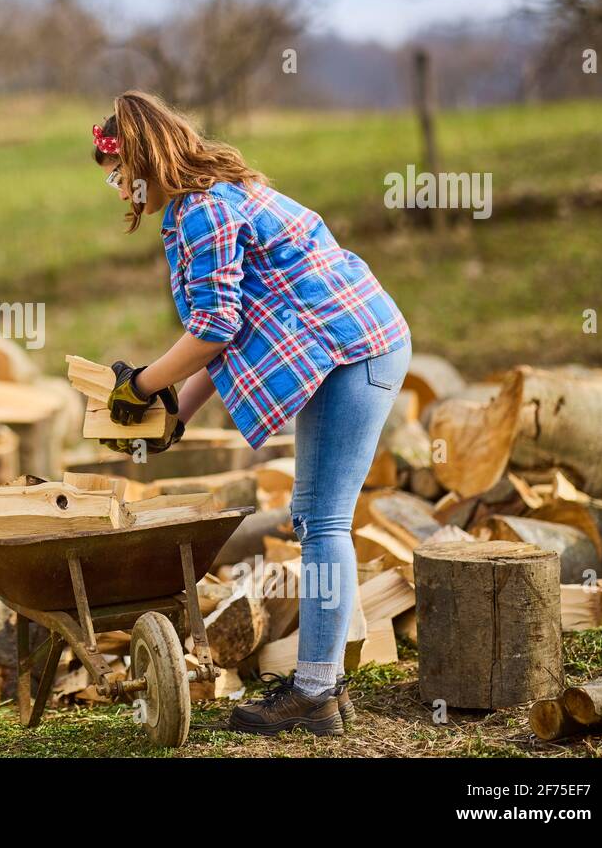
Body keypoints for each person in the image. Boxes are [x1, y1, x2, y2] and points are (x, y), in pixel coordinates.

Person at [93, 91, 411, 736]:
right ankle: (325, 683)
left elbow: (213, 328)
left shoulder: (204, 211)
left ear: (144, 160)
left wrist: (140, 386)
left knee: (323, 522)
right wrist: (173, 412)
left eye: (118, 172)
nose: (118, 187)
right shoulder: (211, 198)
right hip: (342, 348)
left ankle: (316, 692)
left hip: (353, 352)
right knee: (315, 517)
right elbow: (232, 335)